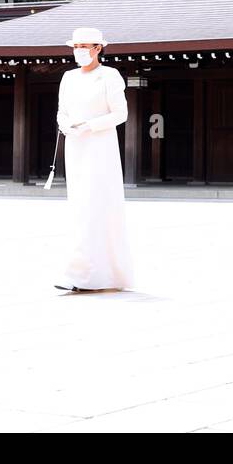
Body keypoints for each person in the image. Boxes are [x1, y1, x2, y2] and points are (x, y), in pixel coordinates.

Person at [55, 27, 134, 291]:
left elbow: (120, 113)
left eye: (84, 46)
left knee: (98, 205)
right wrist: (66, 125)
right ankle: (79, 272)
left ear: (98, 48)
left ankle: (96, 274)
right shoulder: (68, 77)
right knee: (78, 207)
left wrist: (91, 125)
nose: (79, 51)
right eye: (75, 46)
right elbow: (61, 111)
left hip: (100, 145)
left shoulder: (109, 75)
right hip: (75, 146)